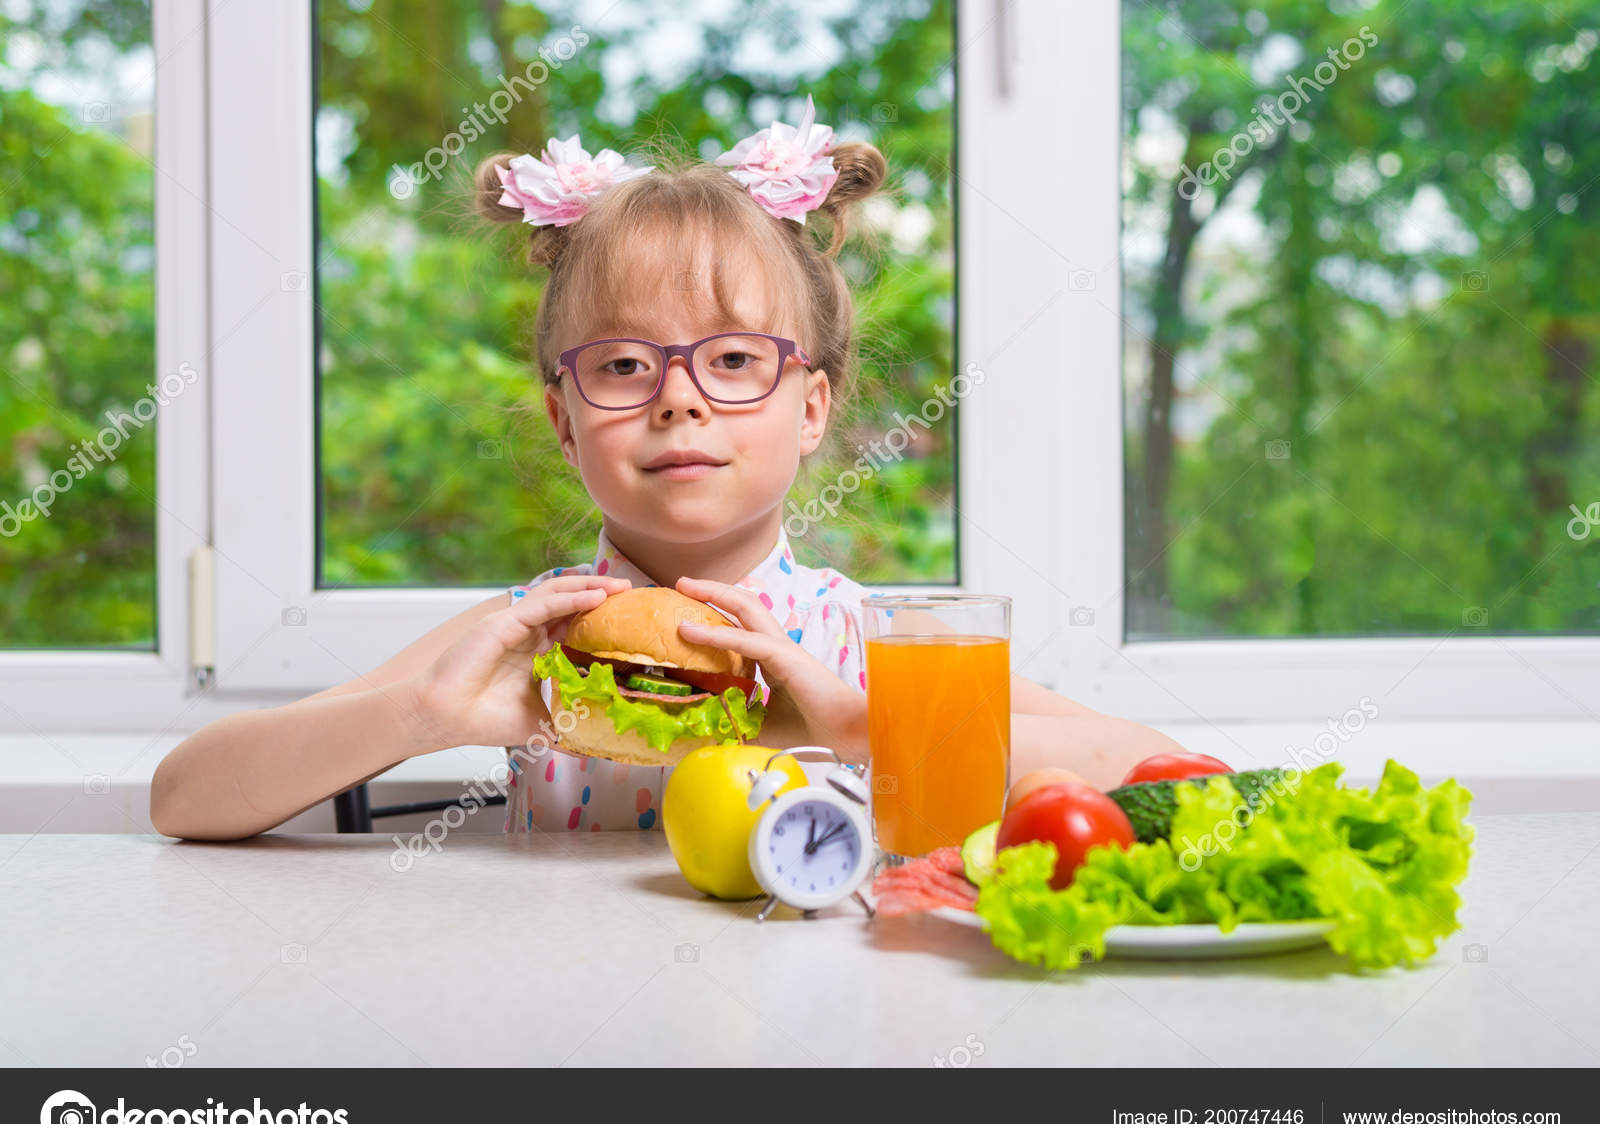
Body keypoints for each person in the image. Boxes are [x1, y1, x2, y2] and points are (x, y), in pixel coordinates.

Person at [150, 97, 1180, 841]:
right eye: (625, 365)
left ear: (810, 405)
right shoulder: (527, 632)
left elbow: (1157, 771)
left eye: (734, 359)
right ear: (564, 421)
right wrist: (429, 716)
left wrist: (862, 725)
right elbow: (184, 796)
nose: (677, 398)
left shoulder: (865, 645)